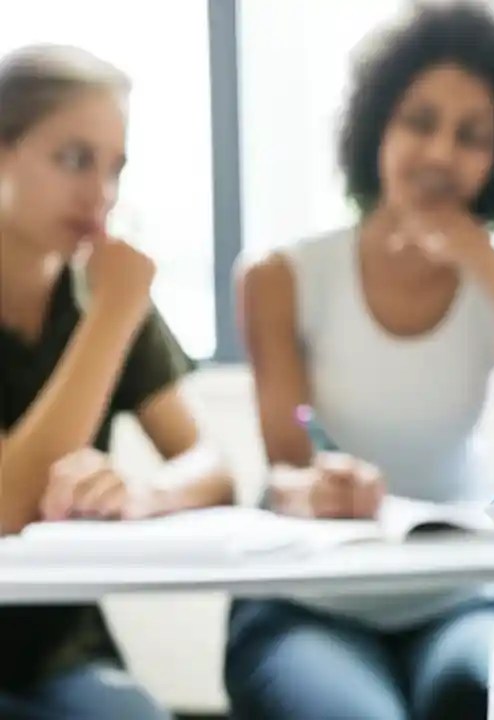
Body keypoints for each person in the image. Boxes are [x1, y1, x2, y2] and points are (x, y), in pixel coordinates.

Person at [225, 4, 494, 718]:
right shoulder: (280, 277)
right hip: (308, 606)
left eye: (471, 136)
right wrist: (313, 483)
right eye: (420, 120)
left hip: (459, 596)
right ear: (377, 123)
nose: (441, 152)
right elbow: (288, 453)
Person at [0, 45, 235, 719]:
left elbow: (214, 468)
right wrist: (113, 315)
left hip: (64, 656)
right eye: (74, 159)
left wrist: (145, 491)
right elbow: (8, 511)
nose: (100, 193)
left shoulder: (104, 293)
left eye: (115, 167)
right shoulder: (114, 300)